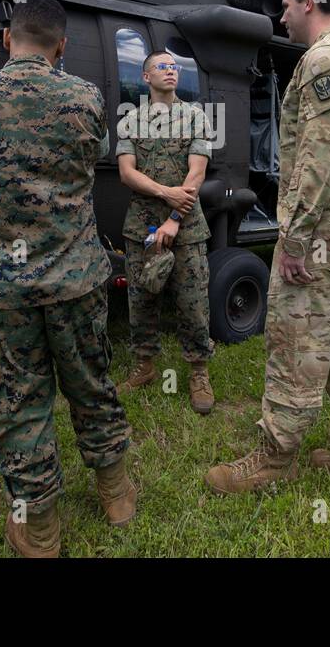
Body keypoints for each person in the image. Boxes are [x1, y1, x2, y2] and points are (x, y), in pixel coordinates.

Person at [0, 0, 135, 558]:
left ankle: (41, 526)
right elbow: (87, 164)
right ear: (62, 46)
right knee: (91, 383)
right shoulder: (86, 99)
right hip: (75, 277)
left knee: (16, 401)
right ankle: (116, 491)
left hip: (0, 285)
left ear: (8, 39)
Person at [205, 0, 330, 499]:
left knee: (296, 337)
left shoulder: (325, 58)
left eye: (286, 4)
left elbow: (320, 156)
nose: (280, 15)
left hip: (329, 218)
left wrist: (297, 236)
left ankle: (275, 455)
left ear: (310, 1)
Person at [114, 49, 215, 414]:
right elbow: (126, 172)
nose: (170, 71)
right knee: (141, 300)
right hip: (142, 225)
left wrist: (174, 215)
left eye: (174, 67)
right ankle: (144, 366)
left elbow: (197, 174)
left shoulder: (196, 117)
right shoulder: (130, 121)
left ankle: (199, 372)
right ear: (146, 77)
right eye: (162, 67)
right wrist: (162, 192)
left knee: (192, 304)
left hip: (185, 227)